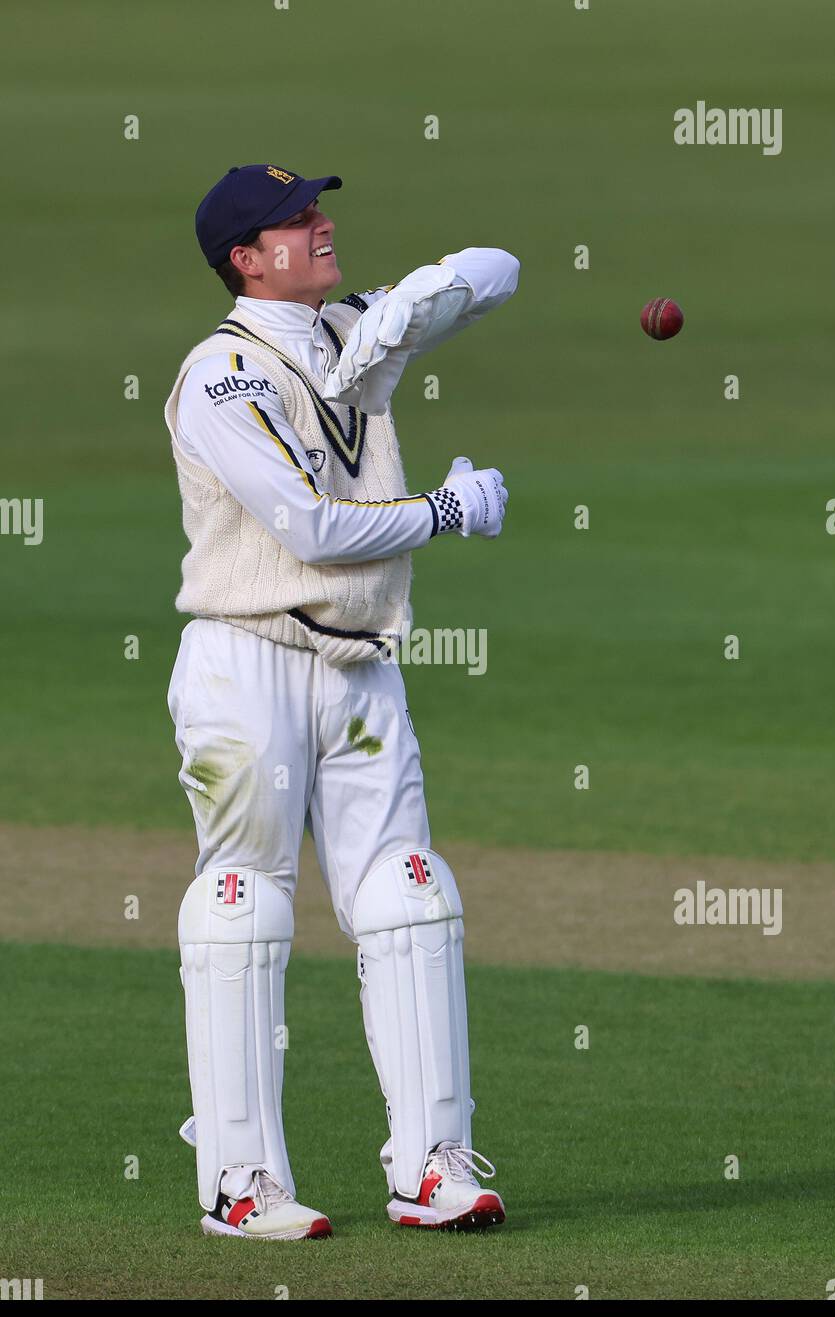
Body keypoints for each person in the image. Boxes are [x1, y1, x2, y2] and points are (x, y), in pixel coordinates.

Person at [164, 162, 520, 1239]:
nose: (320, 227)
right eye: (293, 222)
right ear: (244, 257)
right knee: (244, 904)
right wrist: (443, 511)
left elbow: (498, 270)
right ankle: (240, 1181)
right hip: (244, 662)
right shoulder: (220, 374)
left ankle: (429, 1166)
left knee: (409, 895)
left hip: (359, 666)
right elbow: (311, 528)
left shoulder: (353, 328)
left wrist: (409, 308)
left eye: (315, 209)